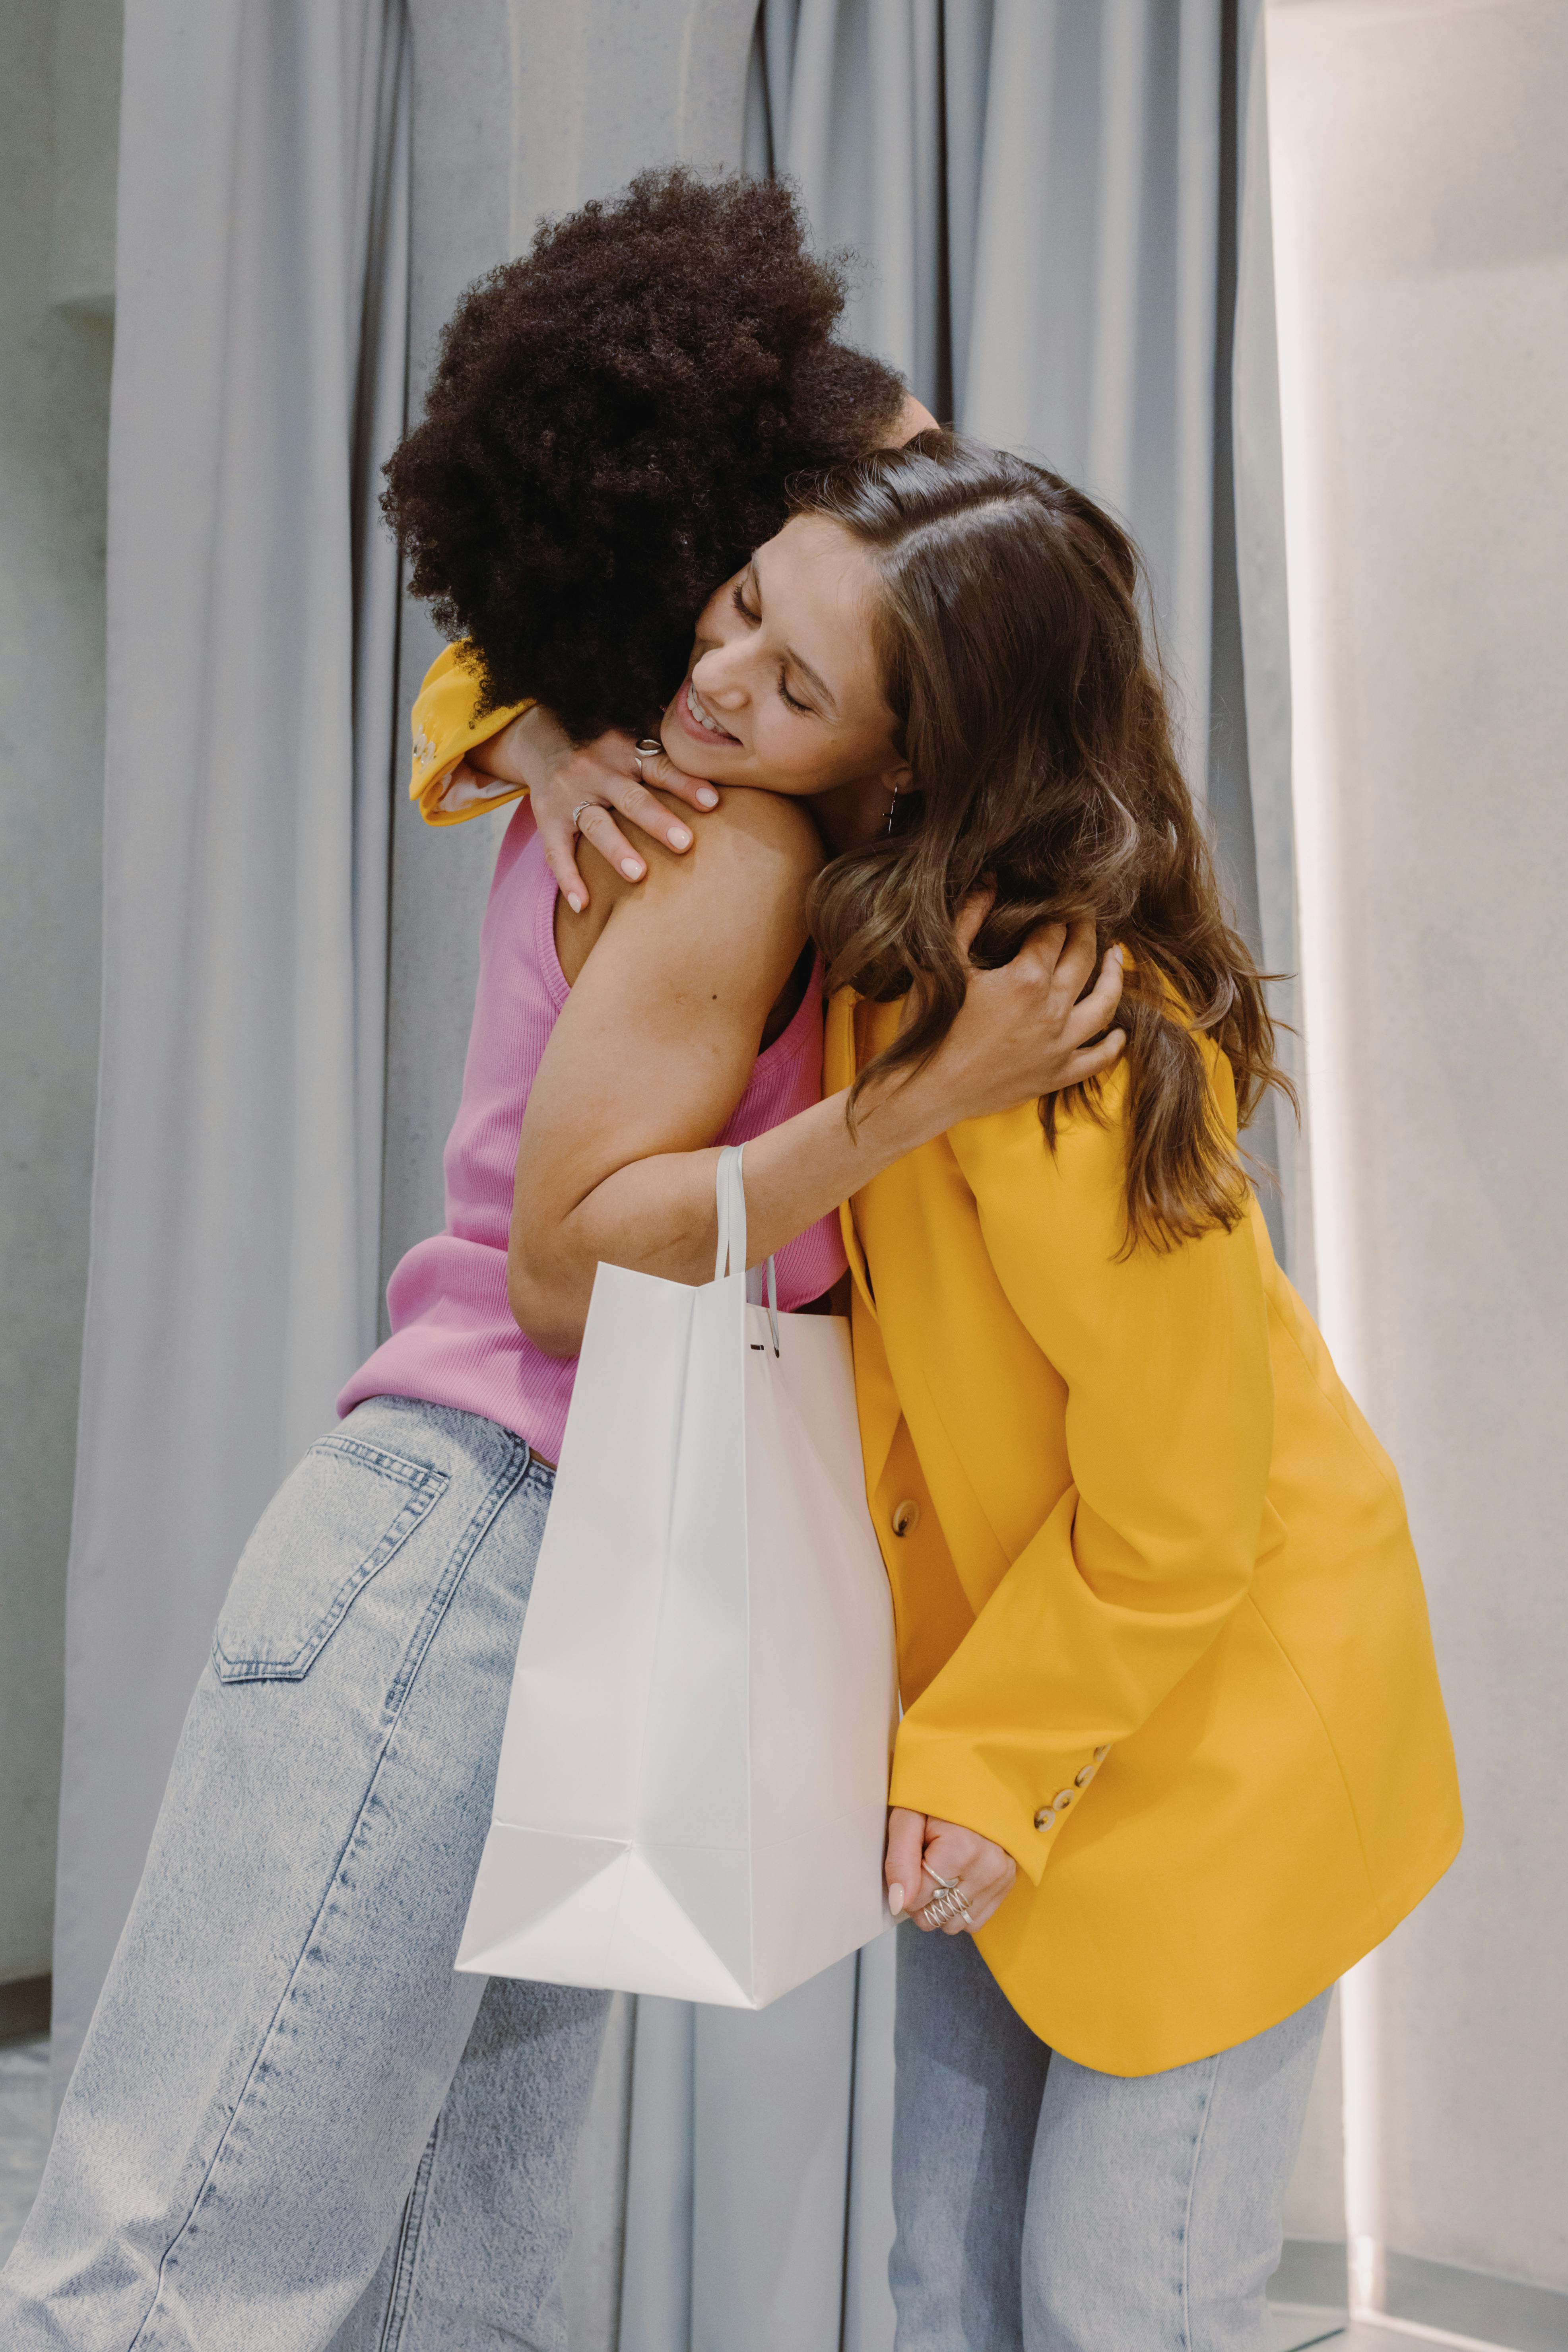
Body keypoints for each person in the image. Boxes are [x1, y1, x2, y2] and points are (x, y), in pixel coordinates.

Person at [0, 196, 1118, 2352]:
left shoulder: (703, 781)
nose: (917, 504)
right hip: (474, 1530)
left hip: (565, 1548)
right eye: (848, 501)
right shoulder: (725, 833)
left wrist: (503, 719)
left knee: (455, 2287)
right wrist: (914, 1100)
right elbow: (562, 1270)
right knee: (177, 2268)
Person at [415, 437, 1464, 2351]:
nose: (721, 673)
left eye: (793, 681)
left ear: (906, 759)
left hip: (1198, 1735)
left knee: (1101, 2310)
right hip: (991, 1707)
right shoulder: (863, 913)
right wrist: (542, 742)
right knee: (939, 2291)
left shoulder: (1047, 1027)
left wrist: (987, 1769)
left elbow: (1180, 1506)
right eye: (735, 602)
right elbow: (484, 654)